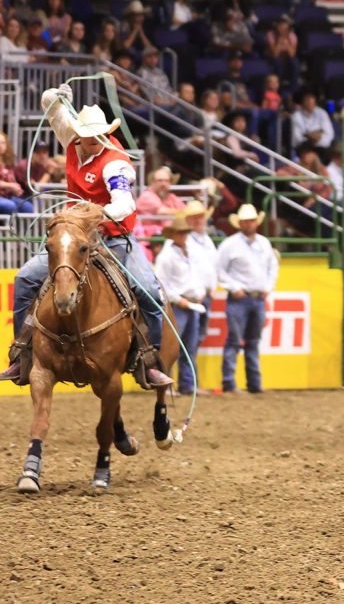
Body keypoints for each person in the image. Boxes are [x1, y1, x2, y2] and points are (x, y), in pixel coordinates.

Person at [1, 87, 172, 388]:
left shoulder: (116, 163)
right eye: (85, 137)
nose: (90, 143)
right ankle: (21, 354)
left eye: (96, 138)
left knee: (149, 291)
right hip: (73, 240)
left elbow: (124, 203)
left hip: (114, 239)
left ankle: (150, 358)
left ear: (105, 135)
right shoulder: (74, 138)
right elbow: (50, 106)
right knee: (27, 277)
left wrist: (92, 215)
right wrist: (57, 92)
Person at [217, 203, 279, 394]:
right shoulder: (229, 244)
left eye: (251, 221)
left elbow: (272, 267)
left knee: (252, 341)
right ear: (240, 223)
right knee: (236, 341)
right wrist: (234, 287)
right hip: (240, 298)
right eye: (245, 221)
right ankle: (230, 383)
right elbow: (219, 270)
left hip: (257, 297)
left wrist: (268, 287)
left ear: (256, 222)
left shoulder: (263, 243)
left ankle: (254, 383)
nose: (249, 224)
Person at [154, 212, 207, 397]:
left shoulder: (190, 253)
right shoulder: (167, 256)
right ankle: (167, 385)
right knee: (171, 347)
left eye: (185, 232)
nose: (184, 235)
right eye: (180, 232)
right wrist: (179, 299)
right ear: (173, 234)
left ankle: (188, 385)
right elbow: (161, 282)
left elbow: (195, 277)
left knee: (189, 347)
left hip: (191, 304)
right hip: (178, 305)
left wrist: (199, 294)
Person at [184, 198, 218, 366]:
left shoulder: (207, 241)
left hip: (205, 295)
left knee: (197, 337)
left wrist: (212, 287)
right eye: (194, 217)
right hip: (191, 296)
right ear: (187, 220)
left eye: (200, 216)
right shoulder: (186, 241)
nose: (198, 220)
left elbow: (213, 266)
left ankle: (188, 380)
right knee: (188, 339)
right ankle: (187, 380)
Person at [290, 89, 334, 158]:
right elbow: (298, 138)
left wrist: (318, 140)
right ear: (302, 101)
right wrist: (312, 137)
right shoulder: (296, 115)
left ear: (315, 100)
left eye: (311, 98)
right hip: (303, 149)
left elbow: (329, 134)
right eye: (306, 99)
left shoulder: (322, 113)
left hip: (322, 149)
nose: (309, 101)